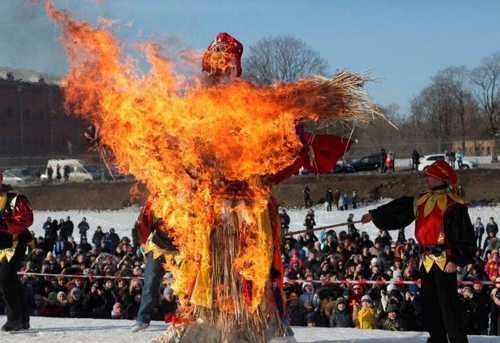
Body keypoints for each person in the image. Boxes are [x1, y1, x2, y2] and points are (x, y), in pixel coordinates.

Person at [361, 160, 476, 343]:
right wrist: (375, 215)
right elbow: (399, 208)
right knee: (429, 305)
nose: (427, 179)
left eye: (431, 176)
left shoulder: (453, 204)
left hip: (445, 260)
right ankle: (437, 339)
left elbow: (465, 235)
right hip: (427, 260)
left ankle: (457, 340)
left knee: (448, 306)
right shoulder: (421, 200)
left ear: (440, 178)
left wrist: (456, 259)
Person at [131, 200, 178, 332]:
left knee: (186, 286)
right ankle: (142, 319)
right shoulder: (156, 200)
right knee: (150, 283)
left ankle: (185, 317)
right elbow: (142, 223)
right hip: (158, 248)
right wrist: (142, 242)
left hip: (181, 249)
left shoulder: (187, 198)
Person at [0, 170, 34, 331]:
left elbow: (26, 219)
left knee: (5, 278)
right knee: (9, 280)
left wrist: (5, 223)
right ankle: (22, 319)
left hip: (15, 242)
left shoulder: (14, 198)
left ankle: (14, 319)